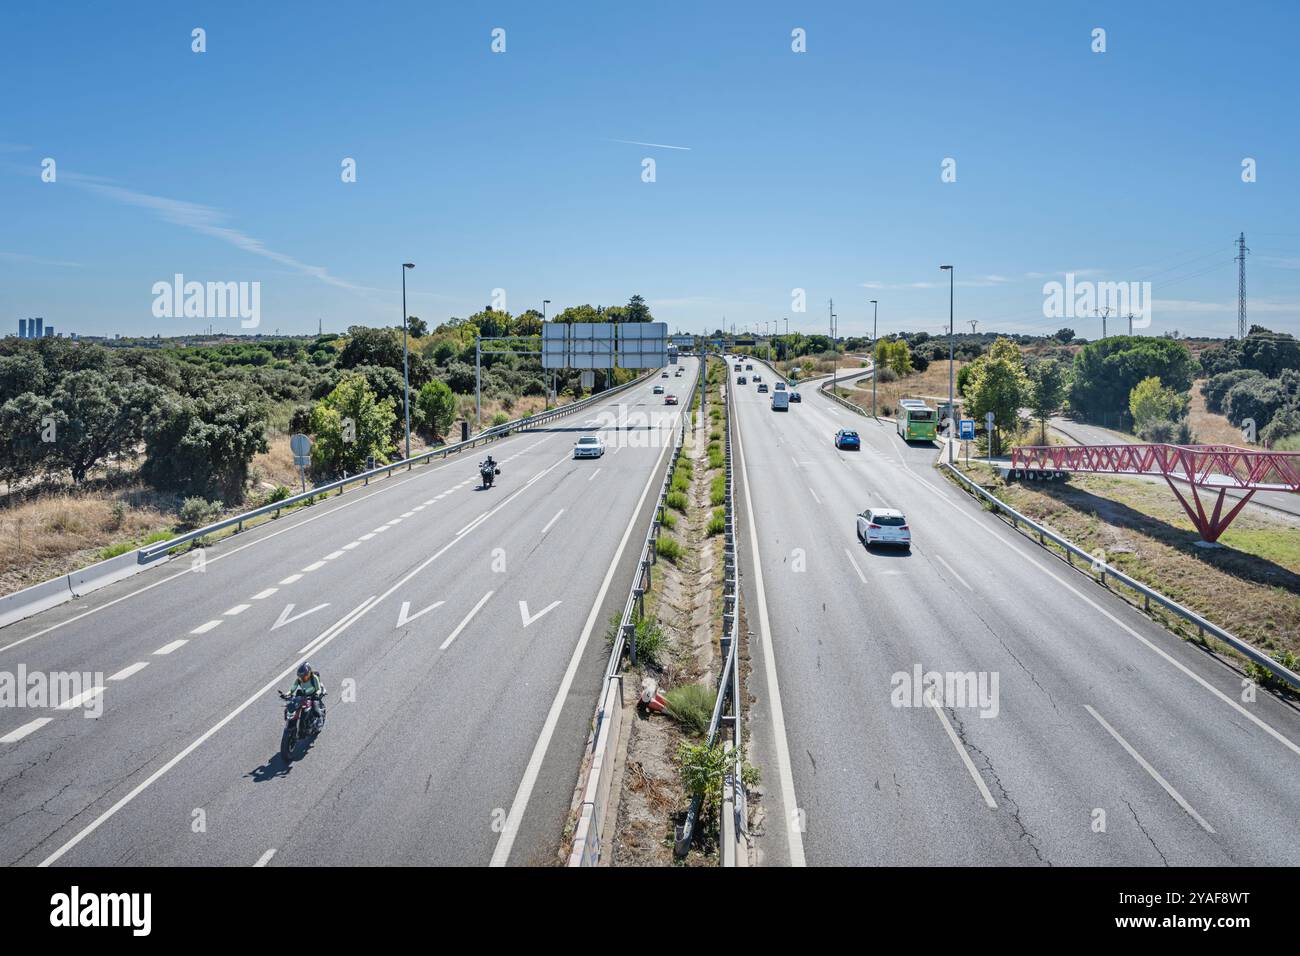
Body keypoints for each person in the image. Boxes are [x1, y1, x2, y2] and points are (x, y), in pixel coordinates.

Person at [283, 662, 325, 732]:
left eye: (304, 676)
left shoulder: (314, 678)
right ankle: (292, 722)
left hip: (313, 695)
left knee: (315, 710)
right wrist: (287, 694)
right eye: (300, 677)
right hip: (303, 695)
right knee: (290, 707)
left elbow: (318, 689)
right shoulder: (299, 680)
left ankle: (319, 721)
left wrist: (317, 694)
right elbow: (292, 689)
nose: (302, 678)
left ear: (309, 673)